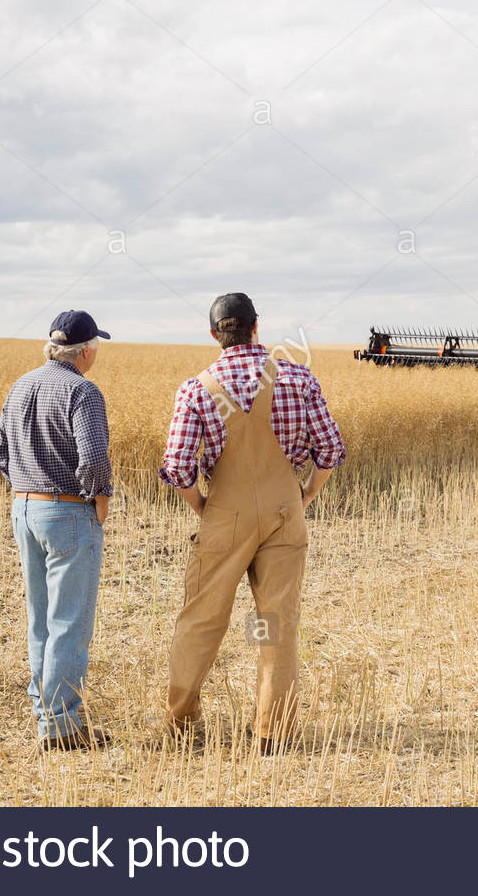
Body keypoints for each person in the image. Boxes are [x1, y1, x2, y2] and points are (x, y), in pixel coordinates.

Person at [159, 293, 346, 753]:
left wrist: (204, 507)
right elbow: (330, 450)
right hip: (285, 514)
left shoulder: (197, 389)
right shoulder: (297, 377)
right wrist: (304, 496)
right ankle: (273, 733)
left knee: (201, 619)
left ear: (214, 335)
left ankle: (181, 724)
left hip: (225, 516)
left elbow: (178, 466)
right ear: (256, 326)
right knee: (275, 622)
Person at [0, 310, 113, 752]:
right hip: (67, 513)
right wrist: (99, 501)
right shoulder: (83, 390)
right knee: (69, 622)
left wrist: (26, 489)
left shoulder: (21, 384)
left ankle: (44, 709)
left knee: (40, 617)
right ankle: (61, 727)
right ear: (85, 351)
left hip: (24, 509)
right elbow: (94, 458)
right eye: (95, 345)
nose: (96, 353)